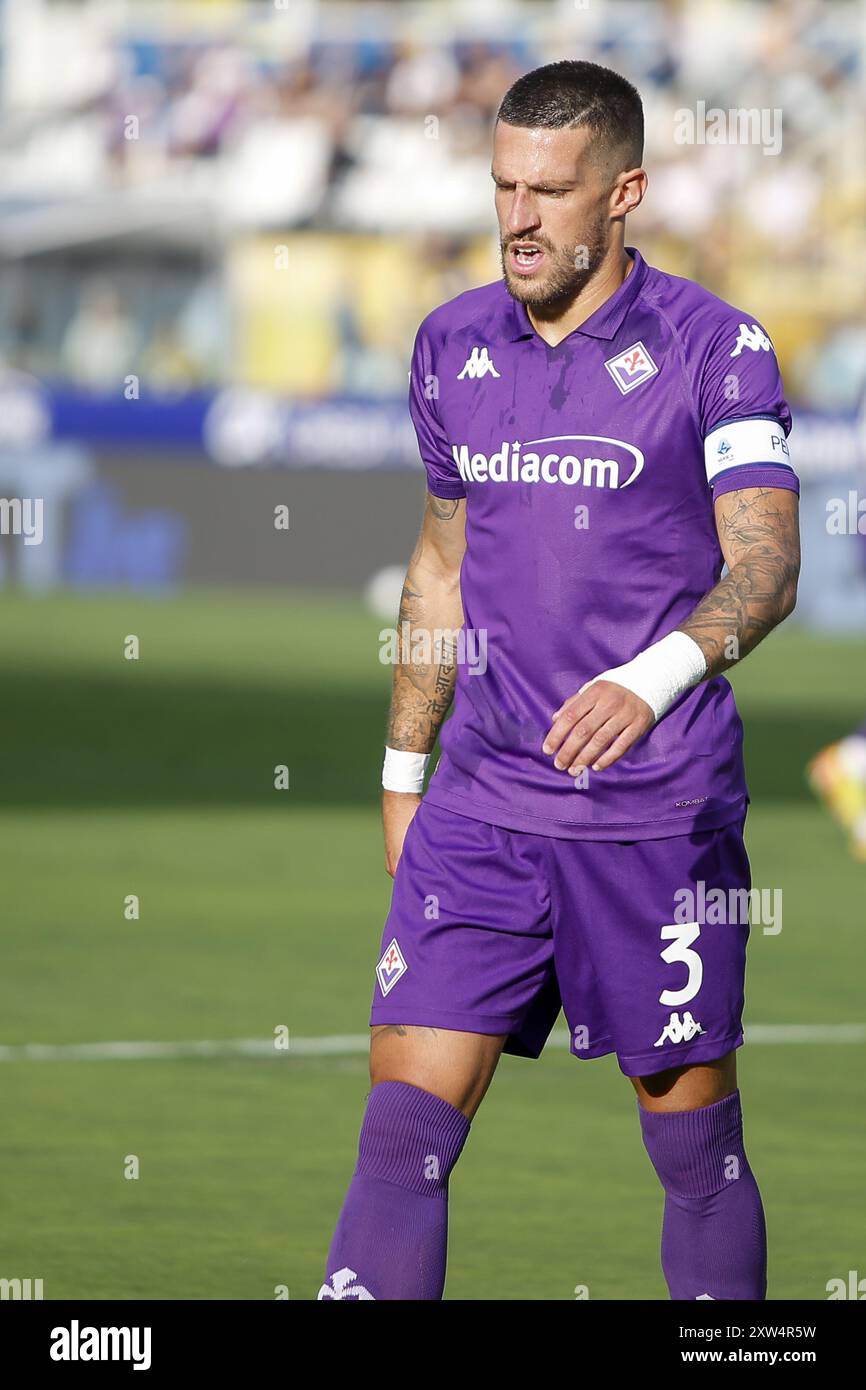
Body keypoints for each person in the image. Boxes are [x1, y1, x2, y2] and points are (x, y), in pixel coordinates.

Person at [318, 59, 801, 1302]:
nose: (518, 217)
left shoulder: (715, 349)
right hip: (479, 812)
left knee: (691, 1147)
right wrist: (399, 770)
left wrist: (651, 678)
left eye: (550, 189)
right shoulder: (447, 344)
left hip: (654, 818)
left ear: (622, 192)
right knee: (401, 1132)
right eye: (501, 186)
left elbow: (765, 567)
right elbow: (438, 571)